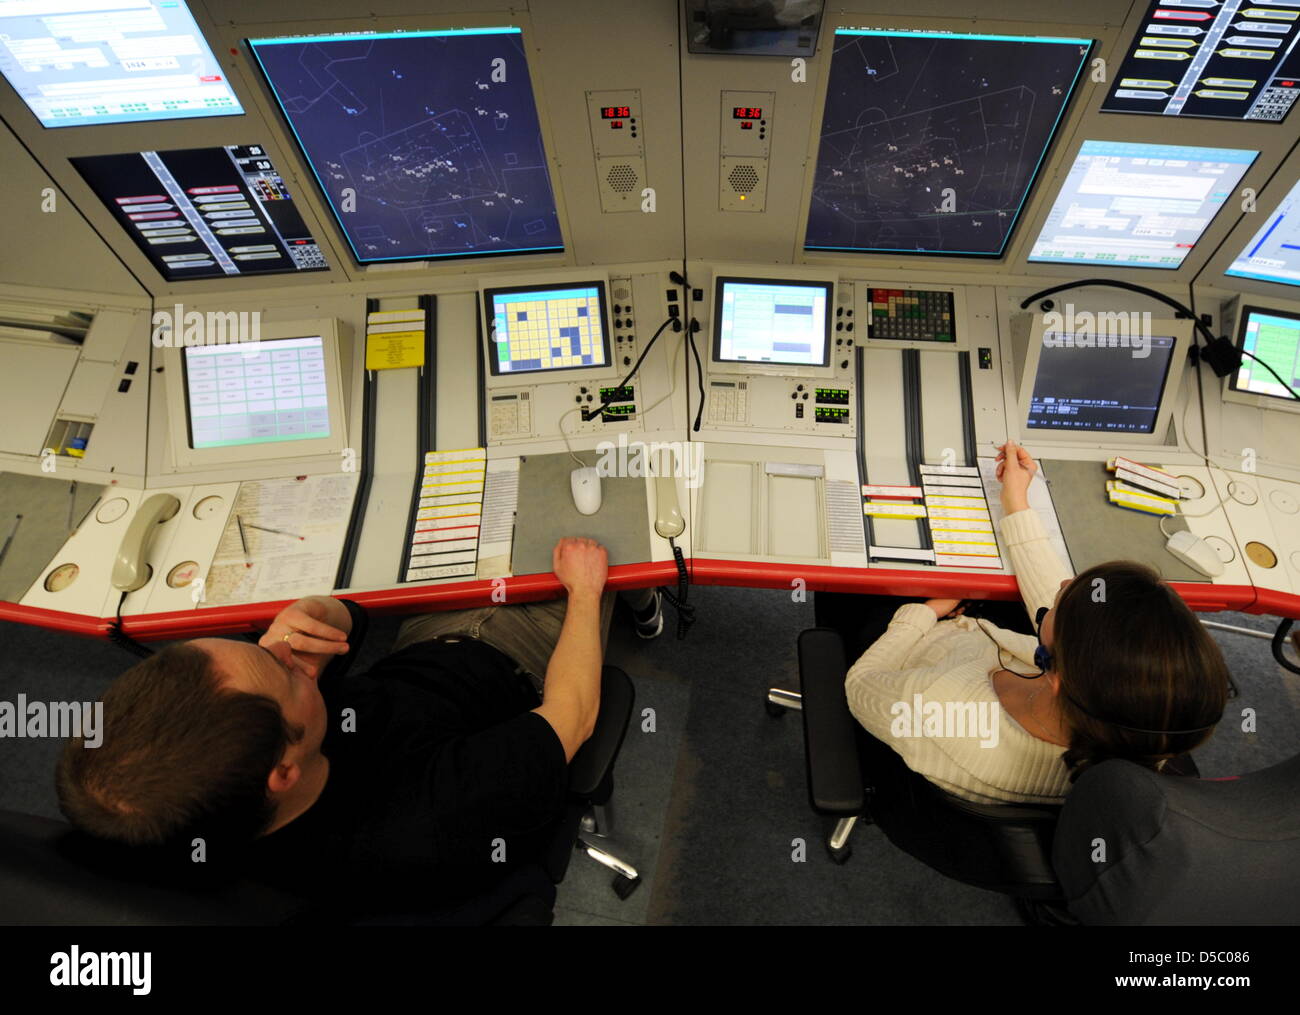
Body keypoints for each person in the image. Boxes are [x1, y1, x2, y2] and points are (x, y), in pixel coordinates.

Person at [56, 537, 659, 913]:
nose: (284, 650)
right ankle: (643, 603)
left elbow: (340, 651)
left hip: (426, 653)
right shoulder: (439, 814)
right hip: (527, 670)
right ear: (283, 771)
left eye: (263, 646)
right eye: (281, 669)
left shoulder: (240, 774)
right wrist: (584, 593)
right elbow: (573, 715)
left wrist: (325, 613)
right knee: (607, 536)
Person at [819, 440, 1231, 804]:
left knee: (846, 578)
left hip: (928, 654)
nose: (1064, 582)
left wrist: (923, 613)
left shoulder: (936, 707)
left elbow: (860, 688)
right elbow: (1067, 614)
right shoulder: (1143, 731)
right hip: (985, 644)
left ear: (1053, 672)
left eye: (1061, 602)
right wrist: (1016, 501)